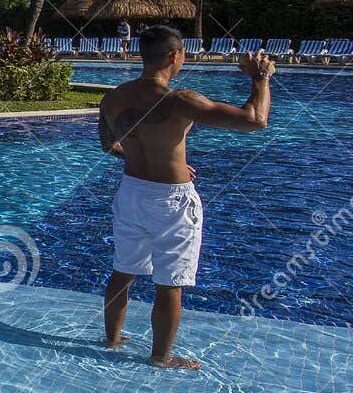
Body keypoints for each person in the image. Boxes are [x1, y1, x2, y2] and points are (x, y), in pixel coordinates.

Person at [98, 25, 274, 370]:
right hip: (172, 201)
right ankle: (161, 358)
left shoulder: (113, 98)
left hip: (131, 191)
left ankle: (112, 339)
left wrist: (153, 159)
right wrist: (260, 77)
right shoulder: (179, 101)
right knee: (170, 284)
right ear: (174, 56)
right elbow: (255, 121)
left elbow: (109, 146)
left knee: (123, 272)